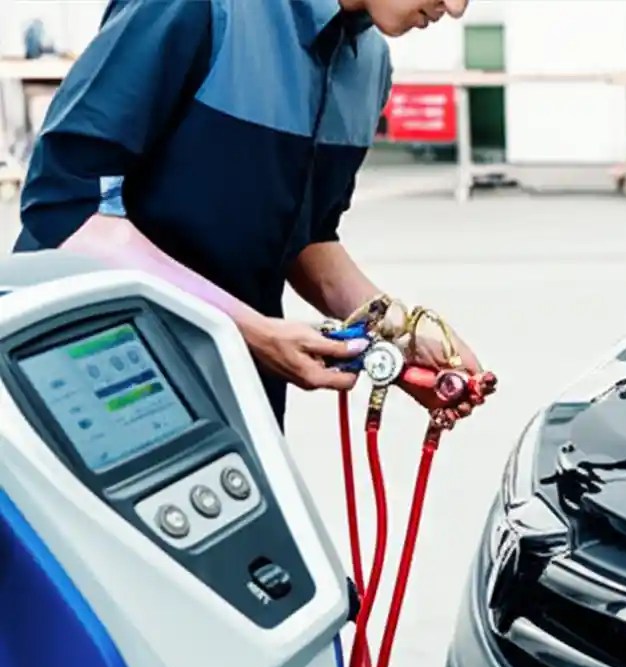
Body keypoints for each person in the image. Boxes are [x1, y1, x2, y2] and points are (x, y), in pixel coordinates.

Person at [12, 0, 481, 427]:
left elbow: (306, 236)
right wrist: (249, 330)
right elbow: (67, 209)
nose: (457, 8)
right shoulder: (202, 9)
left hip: (230, 384)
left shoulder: (370, 66)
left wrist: (400, 333)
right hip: (87, 373)